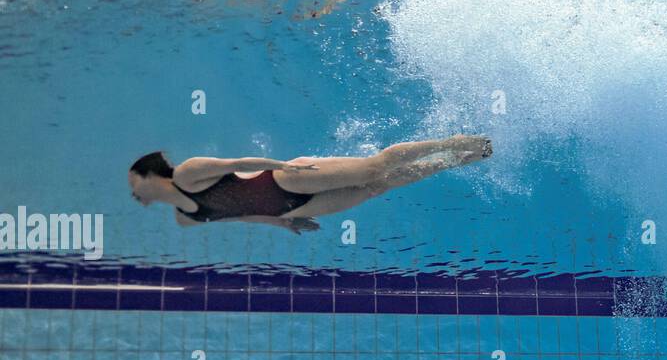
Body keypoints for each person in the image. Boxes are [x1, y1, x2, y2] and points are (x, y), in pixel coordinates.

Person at [127, 136, 492, 232]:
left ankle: (452, 143)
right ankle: (454, 160)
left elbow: (239, 163)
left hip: (285, 178)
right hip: (293, 207)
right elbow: (237, 216)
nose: (134, 195)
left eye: (134, 185)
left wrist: (282, 164)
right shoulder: (184, 219)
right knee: (377, 187)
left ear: (148, 175)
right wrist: (283, 223)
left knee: (373, 168)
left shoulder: (188, 173)